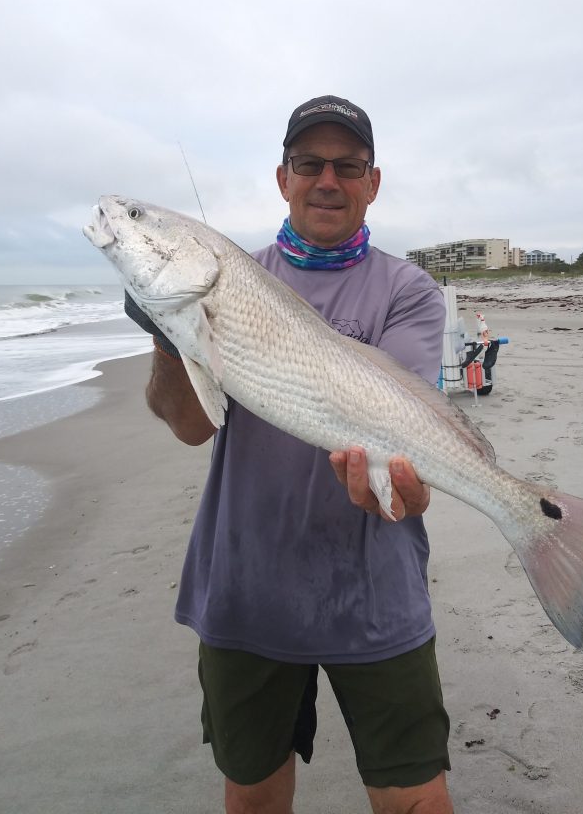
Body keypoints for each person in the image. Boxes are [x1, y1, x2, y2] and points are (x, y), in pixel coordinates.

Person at [127, 95, 454, 814]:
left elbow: (408, 451)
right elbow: (189, 425)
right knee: (253, 799)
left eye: (349, 165)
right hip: (246, 591)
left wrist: (399, 488)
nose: (328, 179)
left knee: (418, 802)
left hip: (376, 592)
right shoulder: (229, 276)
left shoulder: (409, 292)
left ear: (373, 181)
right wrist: (167, 333)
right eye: (310, 164)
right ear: (283, 177)